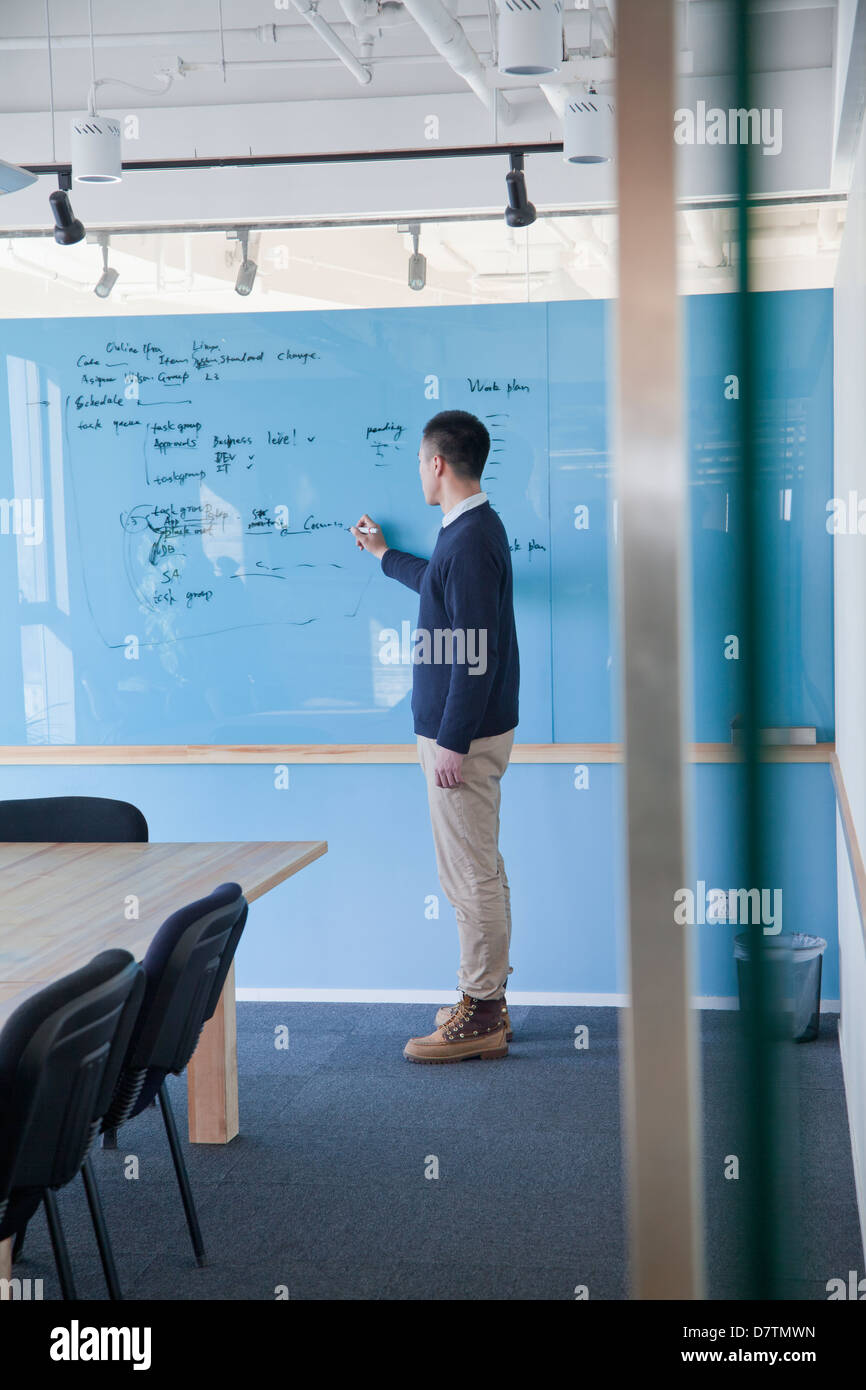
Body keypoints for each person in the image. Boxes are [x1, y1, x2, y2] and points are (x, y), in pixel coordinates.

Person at [351, 409, 519, 1063]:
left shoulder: (472, 537)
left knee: (470, 873)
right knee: (477, 868)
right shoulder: (466, 531)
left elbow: (473, 652)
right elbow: (440, 591)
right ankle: (487, 997)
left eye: (421, 461)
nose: (418, 471)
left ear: (438, 464)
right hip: (465, 731)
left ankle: (480, 1013)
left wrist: (451, 740)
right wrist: (385, 556)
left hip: (463, 739)